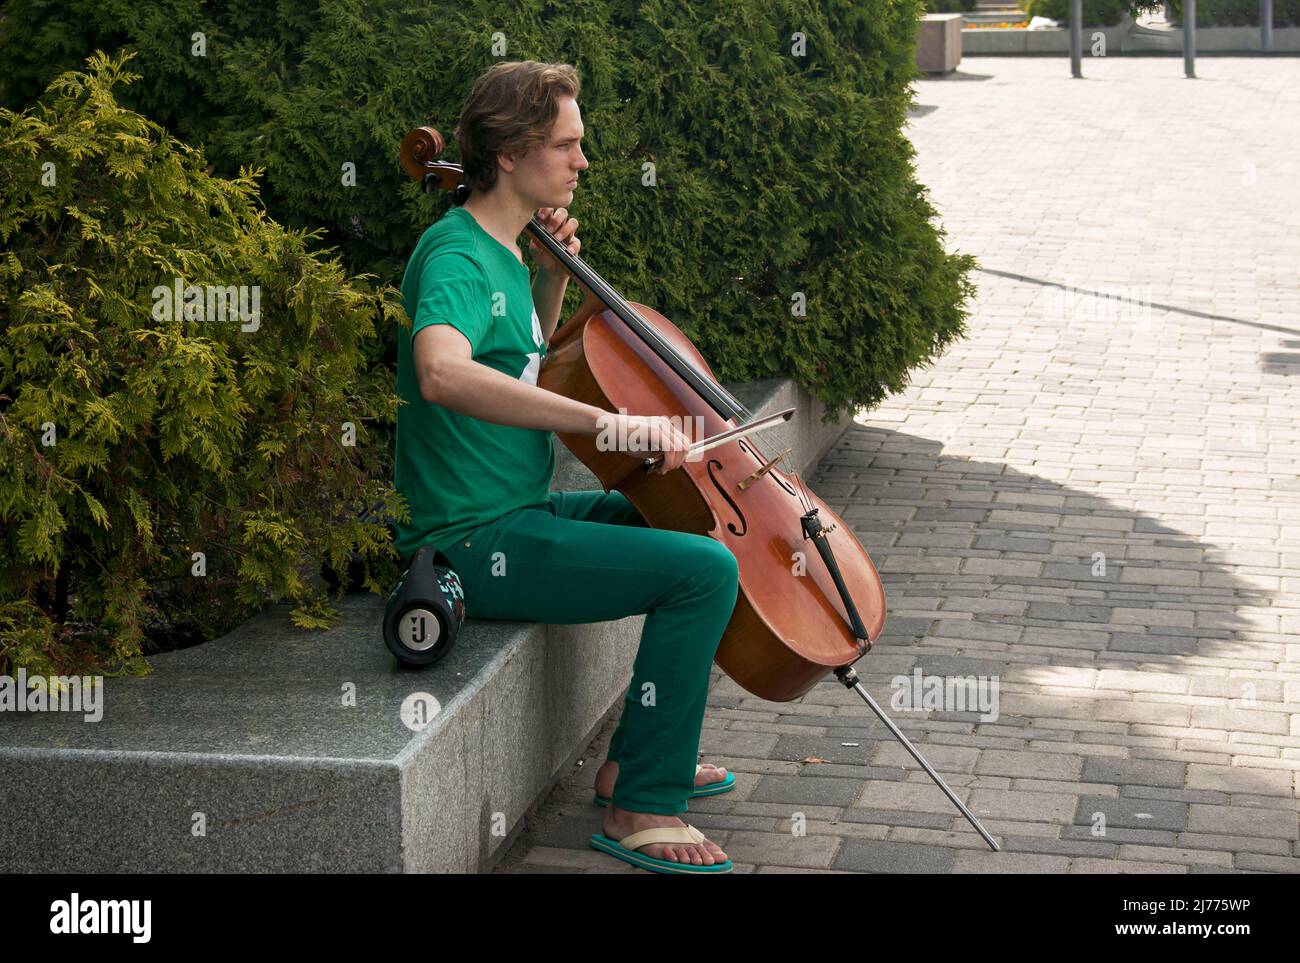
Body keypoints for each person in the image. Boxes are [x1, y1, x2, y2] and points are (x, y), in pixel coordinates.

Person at [393, 60, 740, 874]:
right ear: (510, 154)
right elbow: (442, 371)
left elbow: (522, 360)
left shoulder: (509, 250)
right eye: (565, 144)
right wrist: (608, 425)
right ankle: (640, 804)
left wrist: (550, 279)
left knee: (689, 520)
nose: (583, 161)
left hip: (521, 510)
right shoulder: (455, 255)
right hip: (469, 538)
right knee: (702, 573)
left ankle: (637, 758)